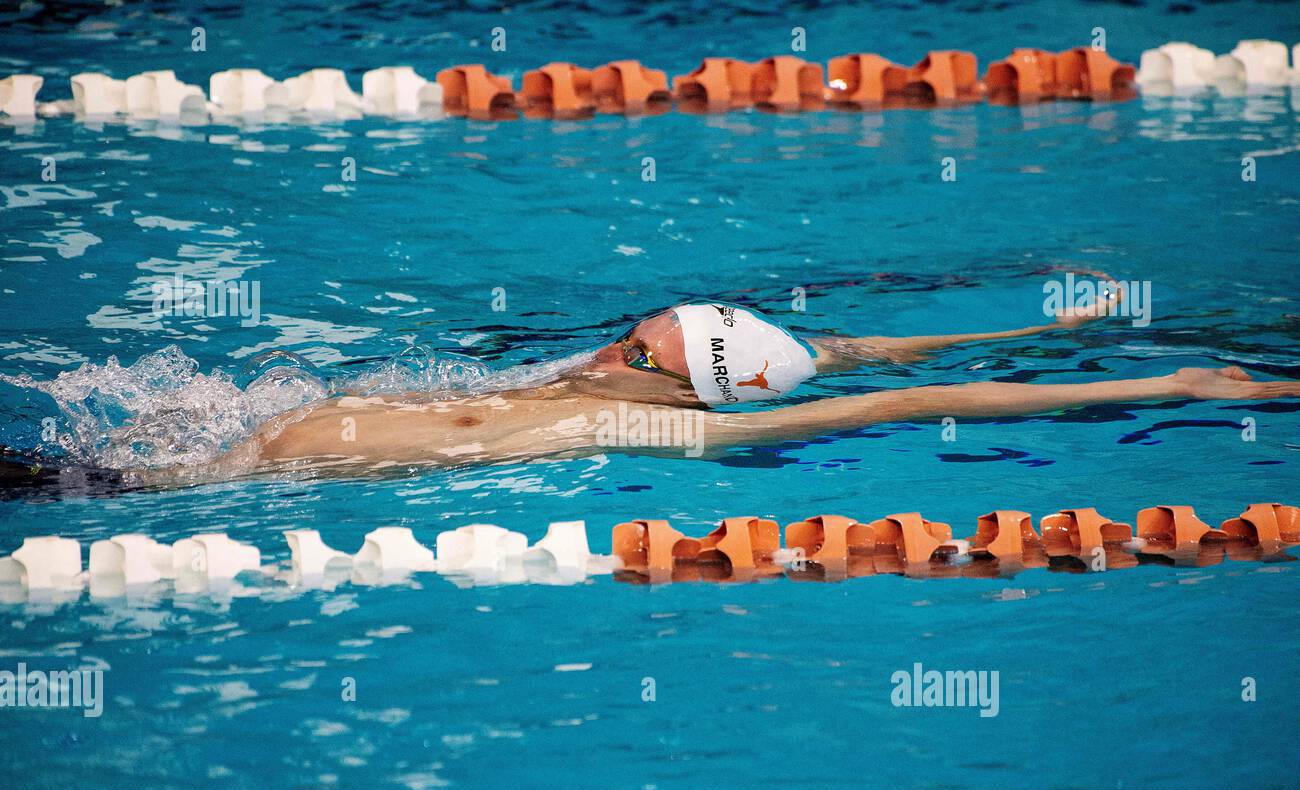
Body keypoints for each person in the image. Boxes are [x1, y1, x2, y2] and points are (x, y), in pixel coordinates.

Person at [183, 279, 1299, 483]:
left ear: (669, 379)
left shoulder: (642, 432)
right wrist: (1036, 323)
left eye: (639, 342)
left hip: (199, 489)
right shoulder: (594, 379)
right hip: (213, 444)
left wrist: (1182, 383)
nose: (616, 341)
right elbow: (864, 357)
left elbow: (895, 404)